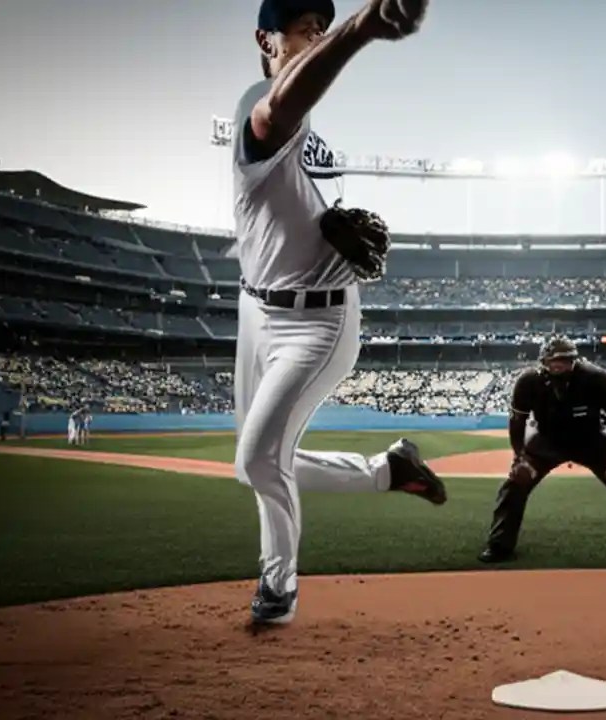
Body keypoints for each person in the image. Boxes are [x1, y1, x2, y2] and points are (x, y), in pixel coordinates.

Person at [232, 0, 444, 626]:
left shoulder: (319, 141)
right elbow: (279, 110)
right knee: (263, 462)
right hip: (255, 311)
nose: (314, 37)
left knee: (255, 460)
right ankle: (388, 470)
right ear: (265, 39)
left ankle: (279, 588)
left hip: (318, 321)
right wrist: (362, 27)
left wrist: (335, 229)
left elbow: (319, 218)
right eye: (303, 30)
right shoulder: (257, 103)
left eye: (322, 28)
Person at [477, 336, 606, 564]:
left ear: (575, 360)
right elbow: (518, 420)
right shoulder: (528, 381)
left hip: (591, 439)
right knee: (516, 483)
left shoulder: (596, 378)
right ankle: (499, 546)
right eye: (555, 360)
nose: (560, 365)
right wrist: (520, 458)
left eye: (566, 360)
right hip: (547, 440)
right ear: (543, 361)